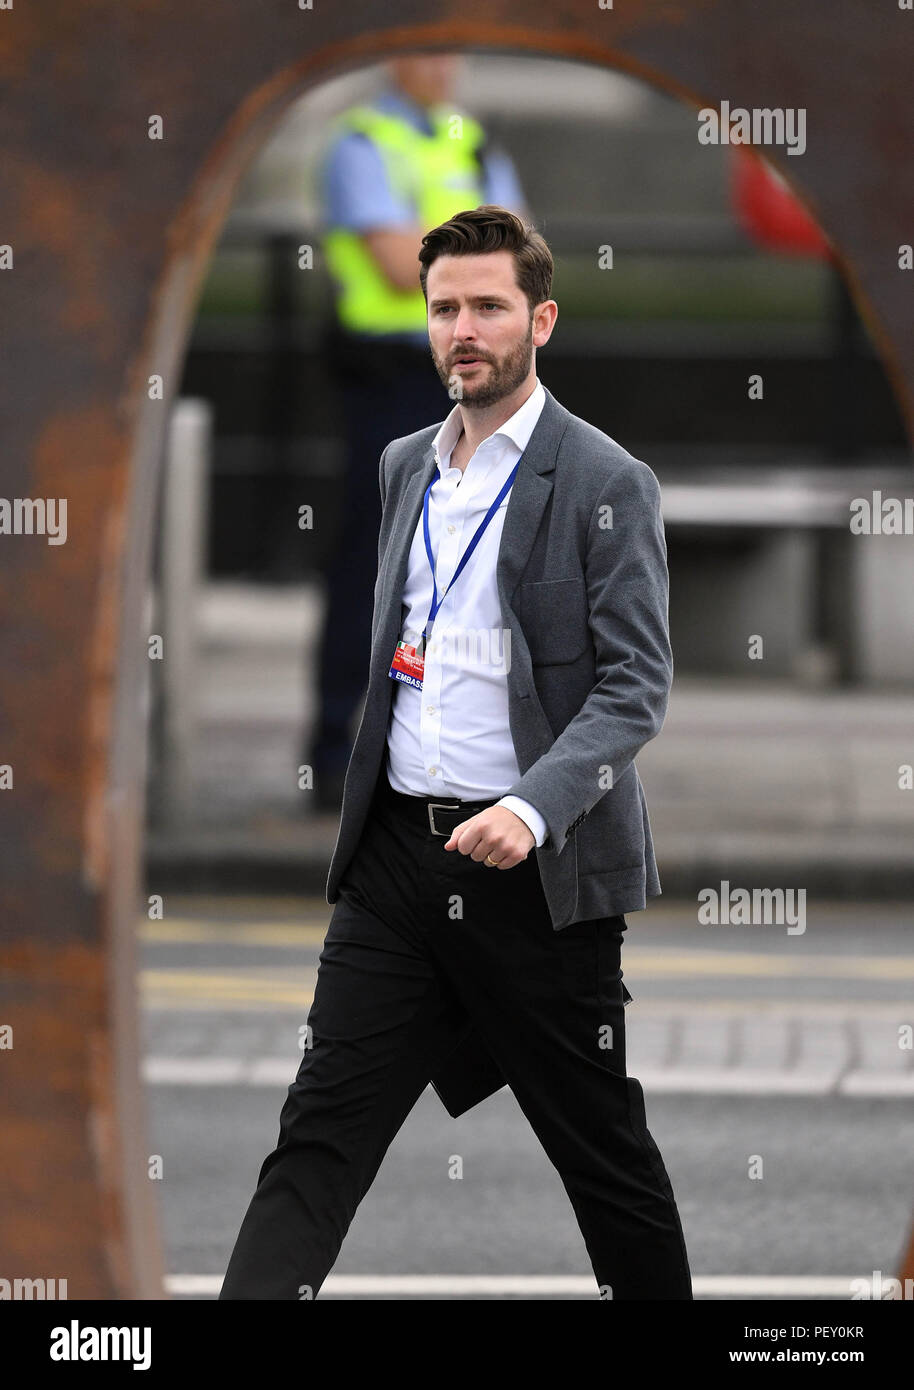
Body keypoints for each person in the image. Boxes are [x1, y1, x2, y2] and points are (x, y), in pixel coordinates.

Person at [221, 205, 692, 1301]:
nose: (462, 329)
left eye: (486, 306)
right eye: (443, 309)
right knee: (316, 1141)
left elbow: (633, 688)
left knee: (603, 1160)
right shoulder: (404, 466)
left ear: (540, 319)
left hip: (531, 871)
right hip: (394, 863)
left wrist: (528, 809)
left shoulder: (603, 481)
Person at [308, 55, 528, 809]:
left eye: (453, 50)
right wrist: (480, 262)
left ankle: (463, 752)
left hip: (480, 382)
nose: (443, 66)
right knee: (376, 561)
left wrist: (448, 254)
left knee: (481, 562)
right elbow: (402, 268)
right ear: (397, 54)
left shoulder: (472, 142)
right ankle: (336, 748)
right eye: (427, 48)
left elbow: (521, 264)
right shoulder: (363, 143)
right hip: (392, 379)